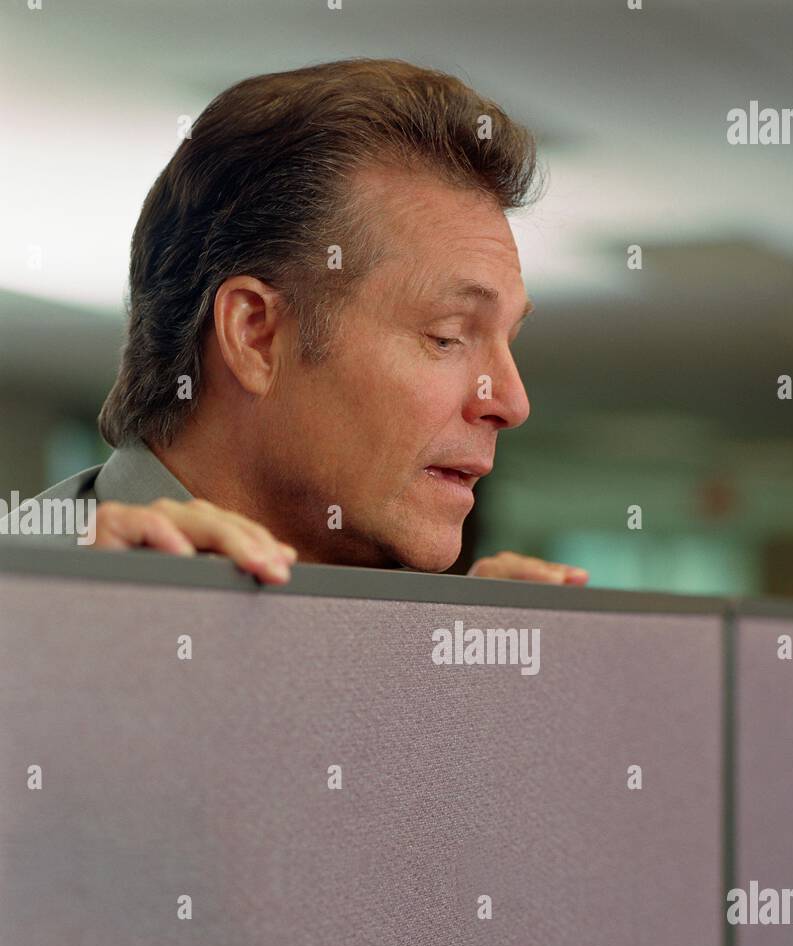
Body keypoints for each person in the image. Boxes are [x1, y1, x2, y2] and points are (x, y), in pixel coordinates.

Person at [7, 59, 588, 590]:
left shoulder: (428, 649)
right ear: (256, 335)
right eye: (447, 336)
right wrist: (67, 649)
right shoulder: (27, 613)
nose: (511, 402)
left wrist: (472, 696)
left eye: (507, 343)